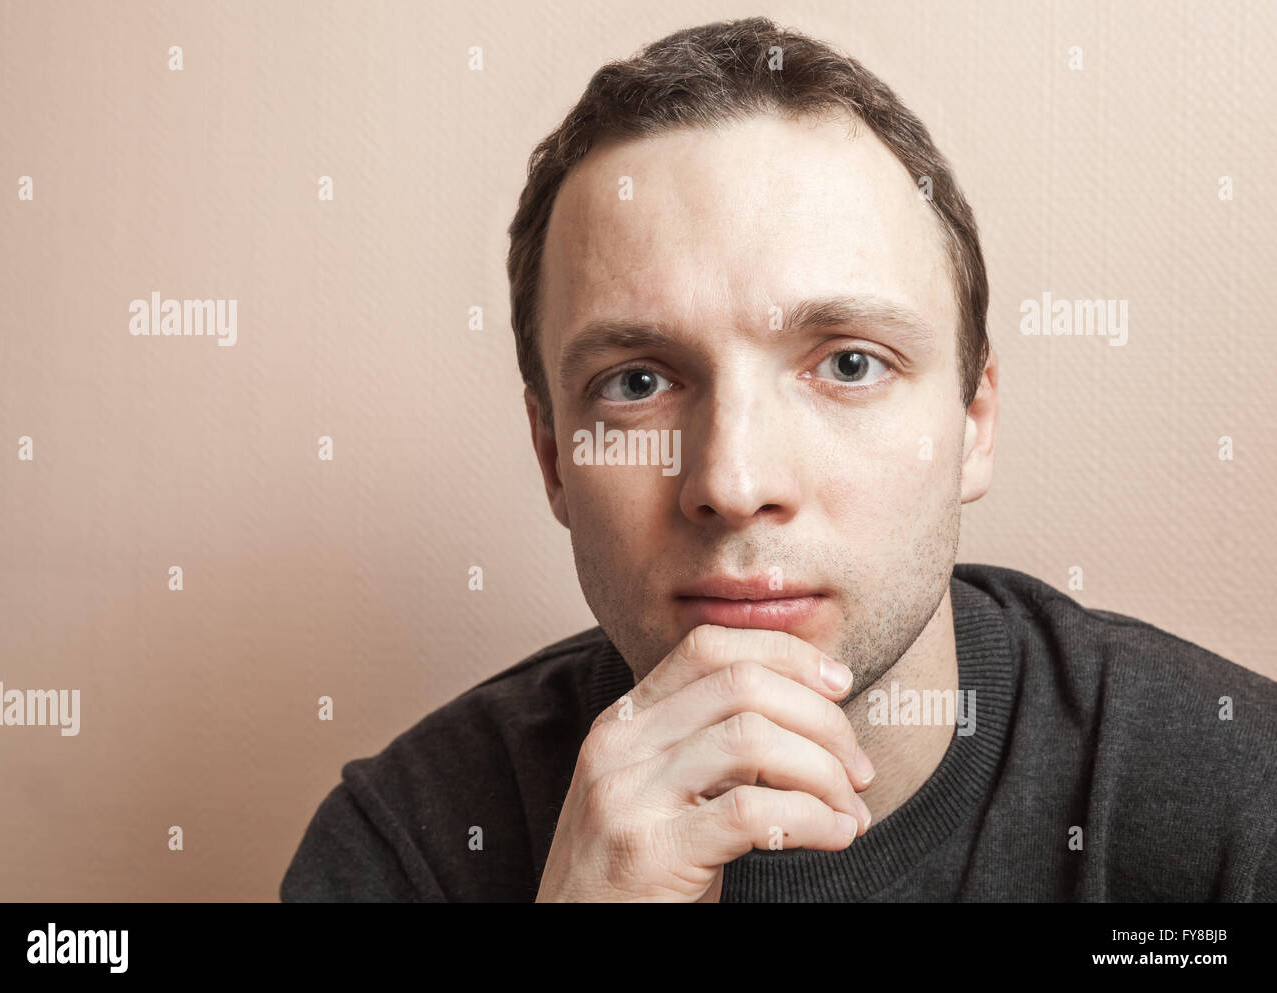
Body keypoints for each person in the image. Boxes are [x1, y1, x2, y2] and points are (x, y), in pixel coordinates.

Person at [280, 16, 1277, 902]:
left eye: (848, 363)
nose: (733, 483)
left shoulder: (1238, 802)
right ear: (553, 457)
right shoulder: (405, 851)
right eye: (638, 381)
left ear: (973, 421)